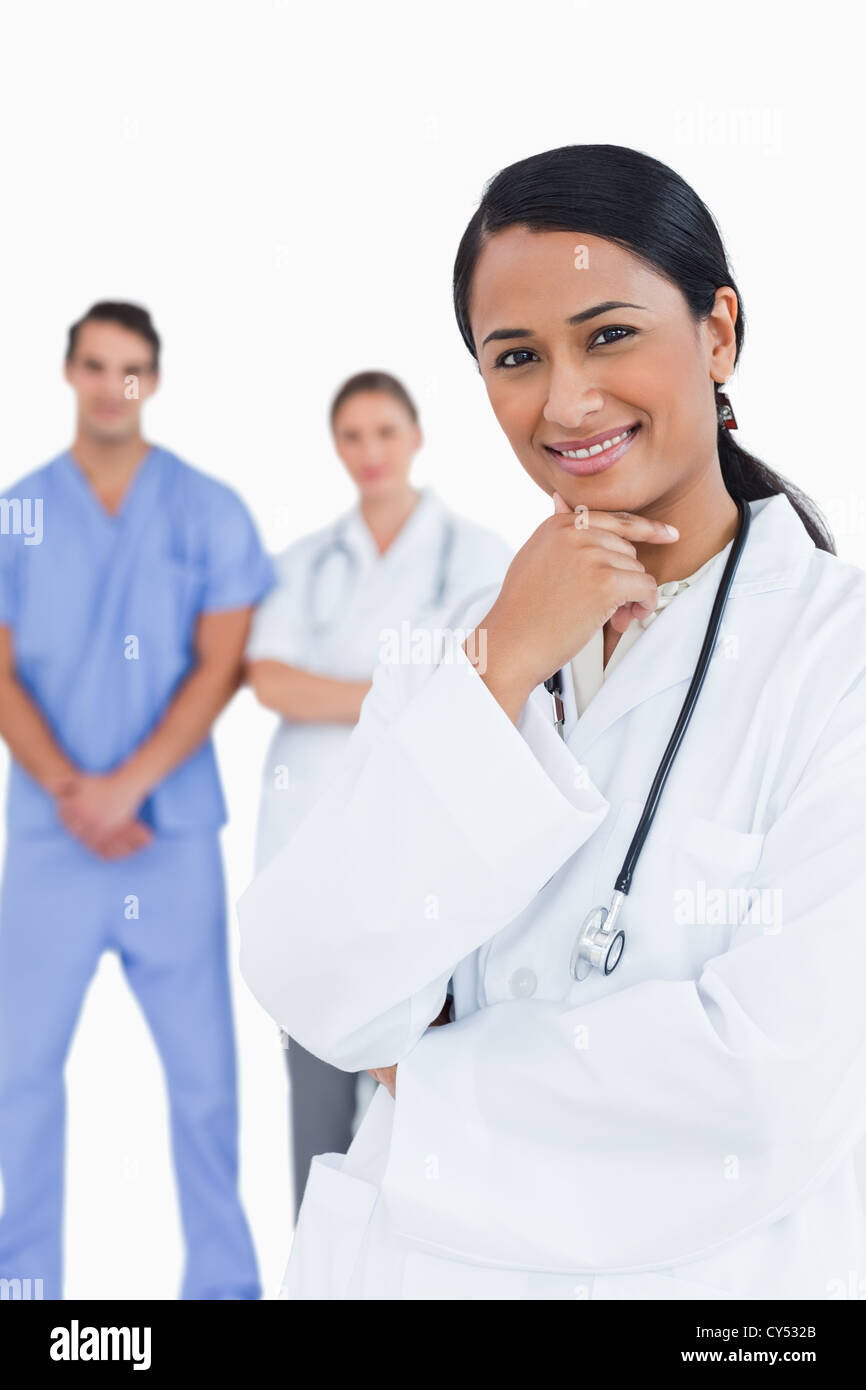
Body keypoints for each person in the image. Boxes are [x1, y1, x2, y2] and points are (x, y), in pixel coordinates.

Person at [237, 145, 866, 1300]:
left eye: (608, 334)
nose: (566, 399)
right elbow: (307, 976)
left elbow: (767, 1092)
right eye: (514, 357)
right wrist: (500, 666)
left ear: (717, 332)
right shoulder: (465, 643)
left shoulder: (834, 655)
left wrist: (417, 1079)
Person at [0, 301, 273, 1300]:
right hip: (49, 836)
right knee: (18, 1082)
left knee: (203, 1083)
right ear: (68, 370)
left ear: (151, 382)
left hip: (169, 834)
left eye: (133, 369)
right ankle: (22, 1291)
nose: (113, 385)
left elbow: (219, 665)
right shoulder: (19, 511)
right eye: (96, 364)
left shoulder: (207, 508)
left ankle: (222, 1291)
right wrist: (74, 789)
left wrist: (126, 787)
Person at [245, 370, 512, 1219]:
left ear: (416, 437)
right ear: (336, 447)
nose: (369, 452)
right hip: (312, 865)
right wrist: (407, 689)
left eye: (384, 433)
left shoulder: (477, 557)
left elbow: (495, 685)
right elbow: (272, 682)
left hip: (423, 871)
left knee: (432, 1126)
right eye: (352, 436)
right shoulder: (305, 561)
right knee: (319, 1128)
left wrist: (361, 688)